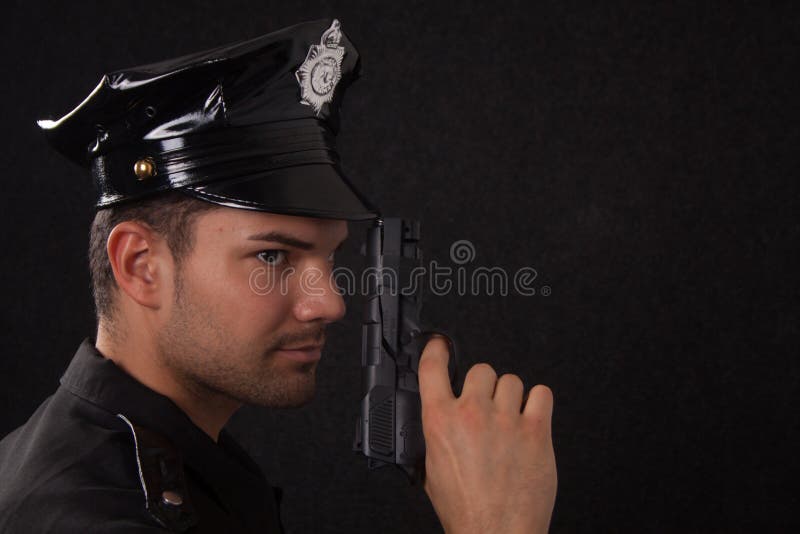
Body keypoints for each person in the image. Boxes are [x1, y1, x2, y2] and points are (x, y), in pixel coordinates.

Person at [0, 18, 557, 533]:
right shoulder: (88, 515)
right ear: (141, 267)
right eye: (273, 256)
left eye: (330, 258)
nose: (331, 304)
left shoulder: (179, 458)